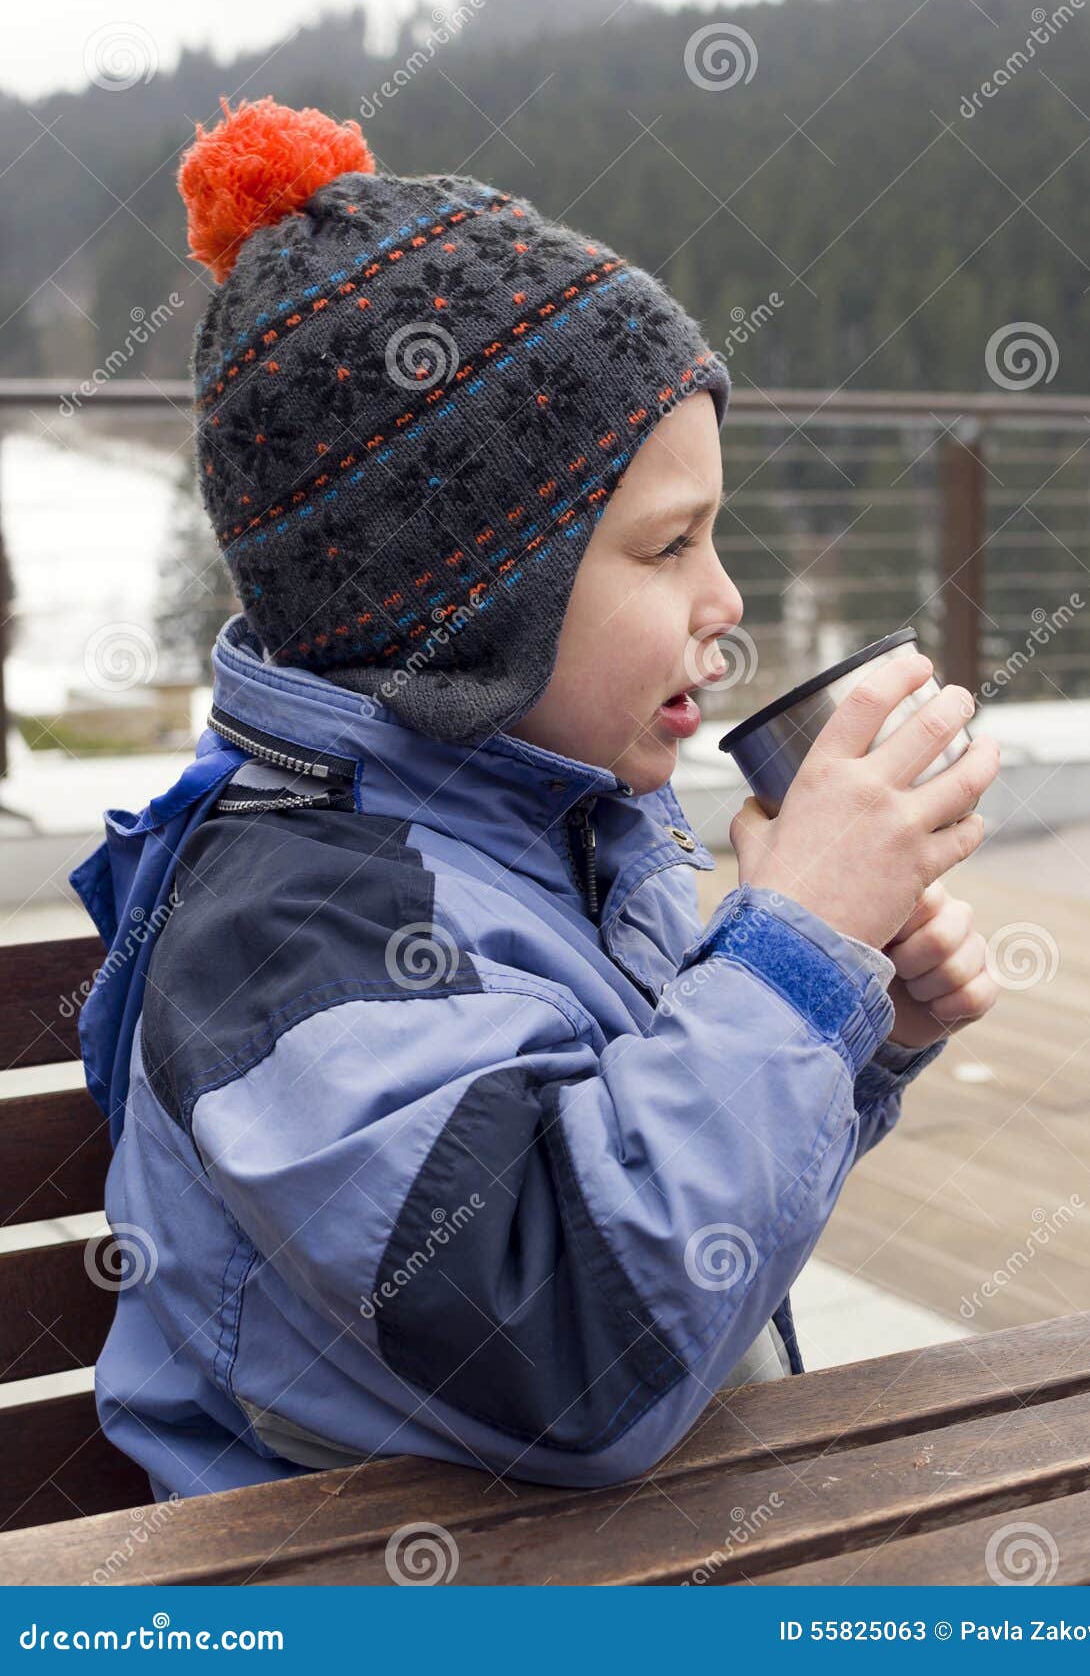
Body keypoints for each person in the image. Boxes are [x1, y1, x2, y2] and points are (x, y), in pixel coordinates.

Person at [71, 97, 1000, 1502]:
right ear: (467, 602)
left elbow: (666, 1211)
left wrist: (852, 1037)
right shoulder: (292, 937)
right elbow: (581, 1342)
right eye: (669, 543)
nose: (727, 597)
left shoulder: (543, 830)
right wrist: (797, 948)